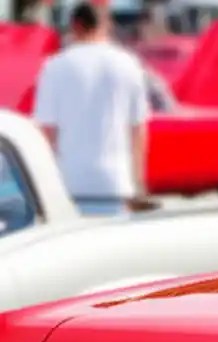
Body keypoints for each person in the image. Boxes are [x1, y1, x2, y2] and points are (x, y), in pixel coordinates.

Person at [33, 2, 149, 216]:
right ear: (105, 25)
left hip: (70, 184)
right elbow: (138, 131)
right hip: (116, 184)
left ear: (75, 26)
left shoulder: (54, 67)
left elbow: (47, 134)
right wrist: (139, 185)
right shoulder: (129, 64)